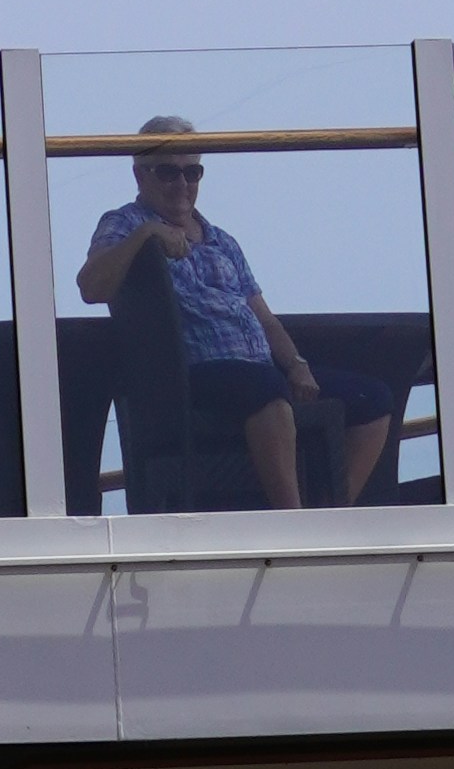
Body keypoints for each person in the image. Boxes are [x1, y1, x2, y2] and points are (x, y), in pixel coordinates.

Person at [78, 115, 394, 507]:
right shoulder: (124, 223)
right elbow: (91, 286)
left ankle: (329, 514)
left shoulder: (222, 240)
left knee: (373, 399)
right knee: (266, 390)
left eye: (192, 173)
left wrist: (296, 363)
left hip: (257, 367)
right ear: (141, 175)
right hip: (191, 375)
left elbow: (264, 316)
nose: (182, 184)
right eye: (168, 173)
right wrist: (147, 235)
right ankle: (292, 526)